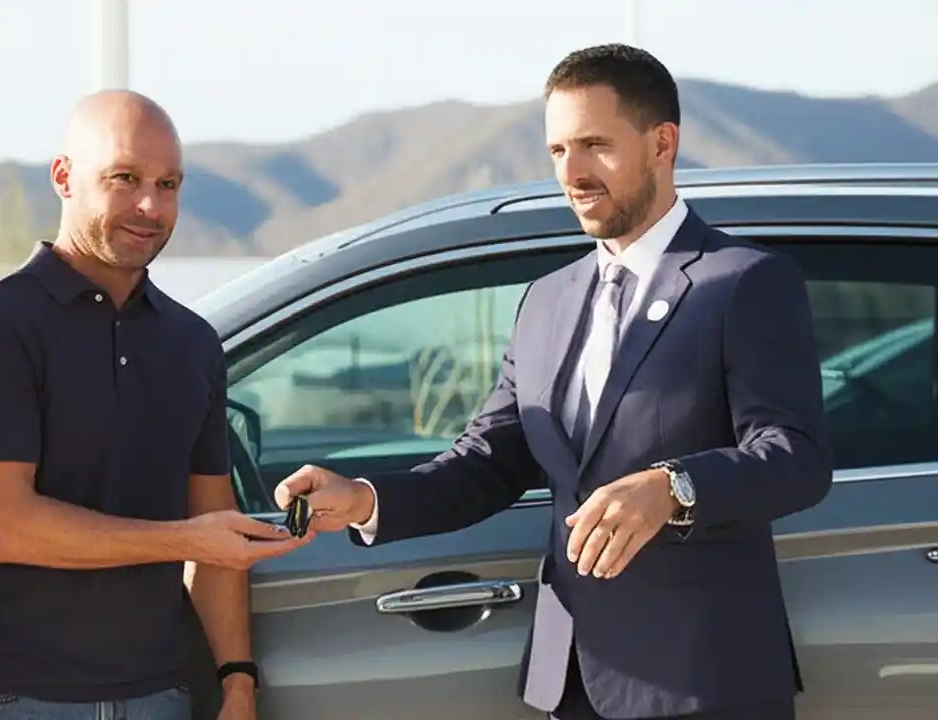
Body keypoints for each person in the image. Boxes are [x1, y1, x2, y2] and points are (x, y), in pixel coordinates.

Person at [275, 44, 831, 720]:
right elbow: (488, 462)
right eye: (558, 151)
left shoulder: (743, 282)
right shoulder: (547, 300)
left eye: (595, 145)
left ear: (662, 143)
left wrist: (673, 487)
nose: (574, 173)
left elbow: (795, 457)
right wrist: (363, 499)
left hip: (703, 685)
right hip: (571, 683)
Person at [0, 90, 310, 720]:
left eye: (168, 184)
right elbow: (5, 527)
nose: (150, 206)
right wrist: (181, 540)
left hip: (164, 693)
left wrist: (238, 682)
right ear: (64, 177)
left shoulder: (192, 343)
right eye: (125, 179)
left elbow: (212, 531)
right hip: (20, 699)